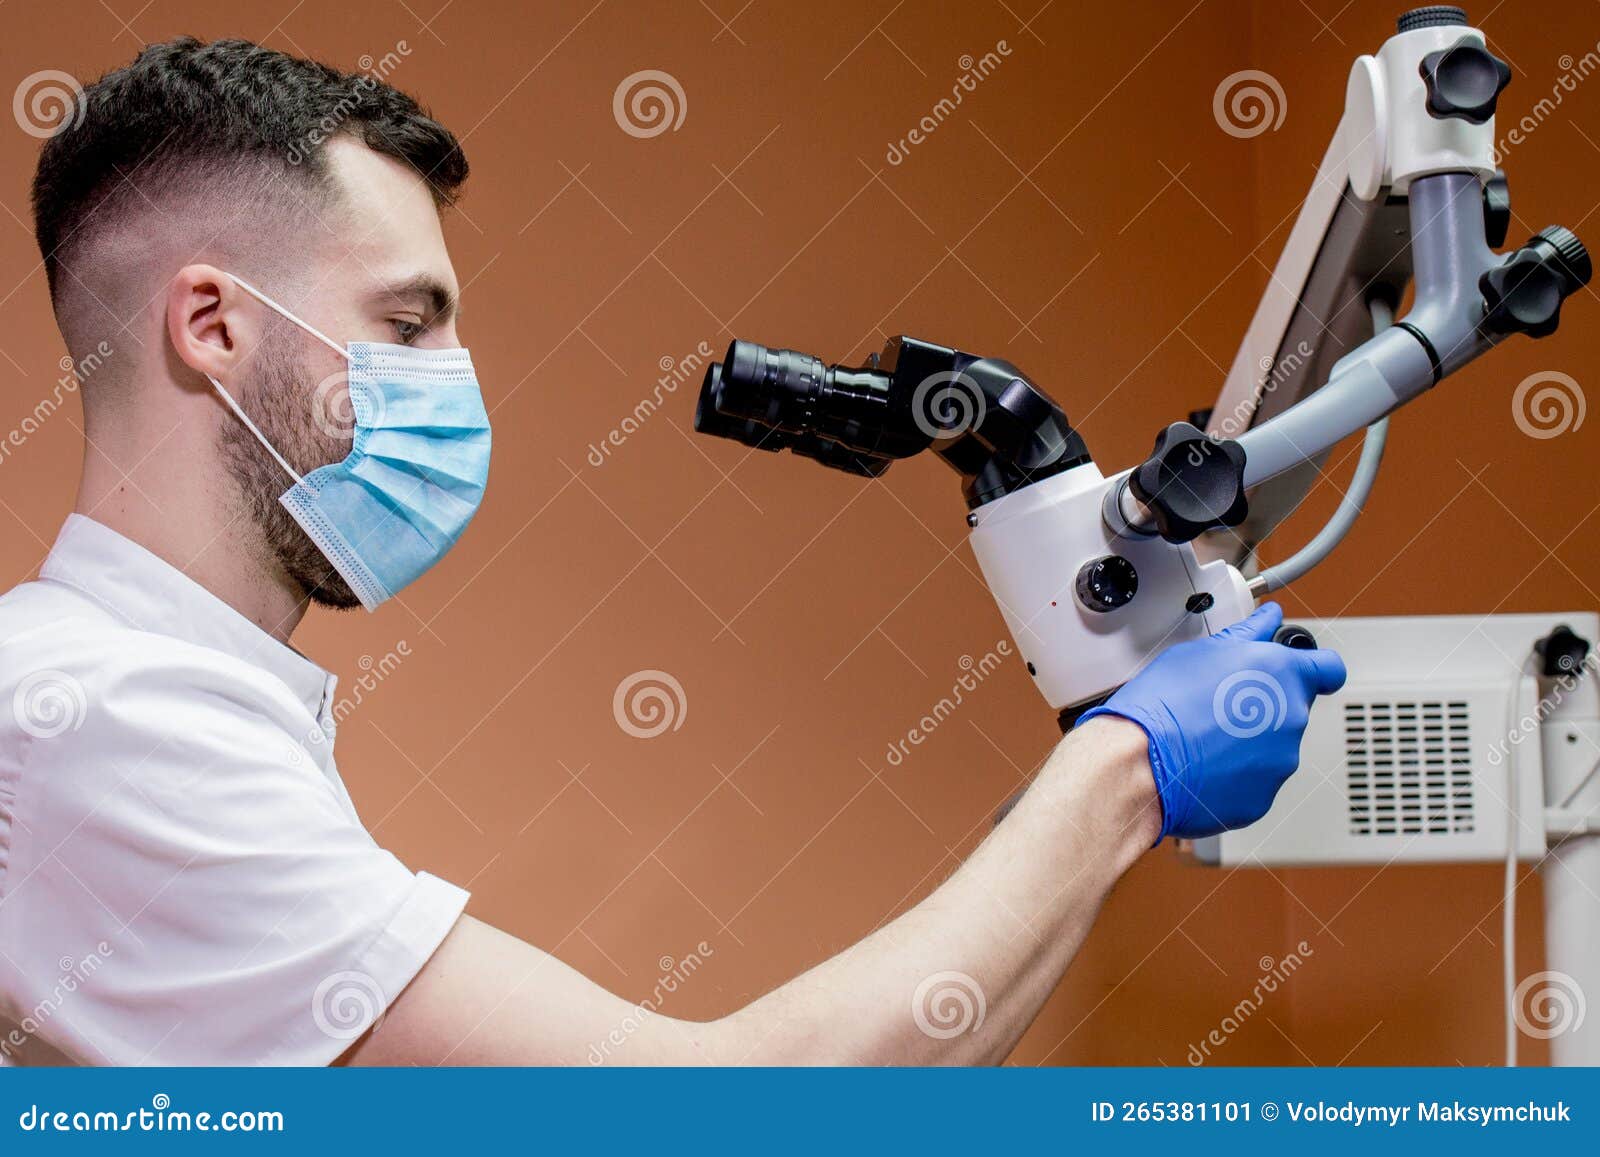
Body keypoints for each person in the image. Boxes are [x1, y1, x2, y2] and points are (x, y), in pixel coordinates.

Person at [0, 38, 1345, 1066]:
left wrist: (1074, 808)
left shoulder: (160, 704)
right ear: (211, 327)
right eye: (409, 323)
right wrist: (1126, 773)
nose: (455, 380)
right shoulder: (103, 720)